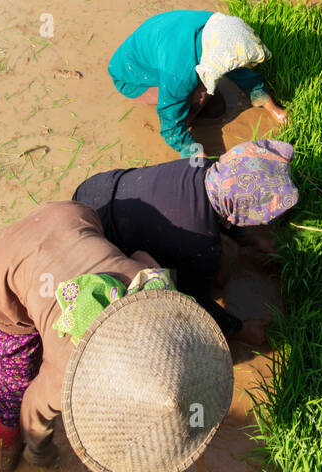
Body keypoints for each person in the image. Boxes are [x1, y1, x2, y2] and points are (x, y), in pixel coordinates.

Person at [0, 200, 233, 472]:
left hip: (68, 216)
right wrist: (39, 451)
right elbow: (33, 410)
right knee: (15, 378)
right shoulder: (70, 369)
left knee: (48, 330)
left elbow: (141, 254)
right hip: (7, 257)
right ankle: (4, 459)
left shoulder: (154, 290)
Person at [73, 138, 299, 348]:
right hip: (94, 234)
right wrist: (240, 329)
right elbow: (195, 303)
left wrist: (251, 238)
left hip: (95, 189)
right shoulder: (201, 243)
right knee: (174, 285)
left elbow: (220, 203)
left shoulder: (206, 167)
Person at [108, 9, 287, 157]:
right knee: (197, 100)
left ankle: (193, 106)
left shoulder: (219, 30)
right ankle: (188, 120)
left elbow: (238, 68)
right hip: (133, 79)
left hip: (161, 46)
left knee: (214, 105)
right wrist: (194, 153)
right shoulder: (179, 73)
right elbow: (170, 125)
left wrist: (272, 107)